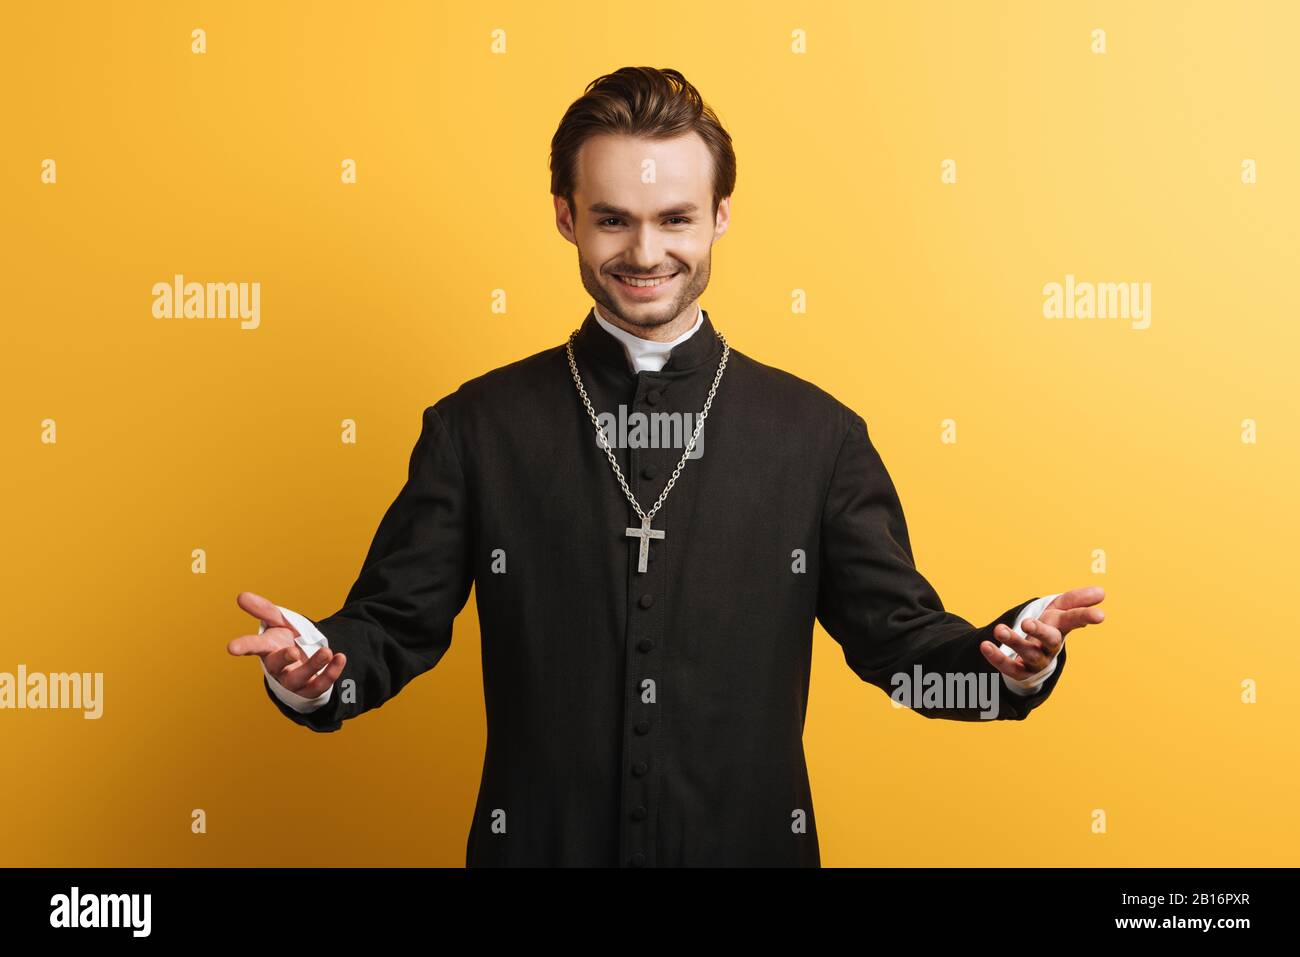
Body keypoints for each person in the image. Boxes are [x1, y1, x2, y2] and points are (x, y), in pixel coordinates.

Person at [226, 66, 1105, 867]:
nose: (645, 254)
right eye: (613, 218)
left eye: (675, 218)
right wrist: (318, 663)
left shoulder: (817, 436)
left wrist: (1006, 661)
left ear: (721, 213)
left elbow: (903, 645)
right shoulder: (477, 428)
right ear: (567, 215)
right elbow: (391, 626)